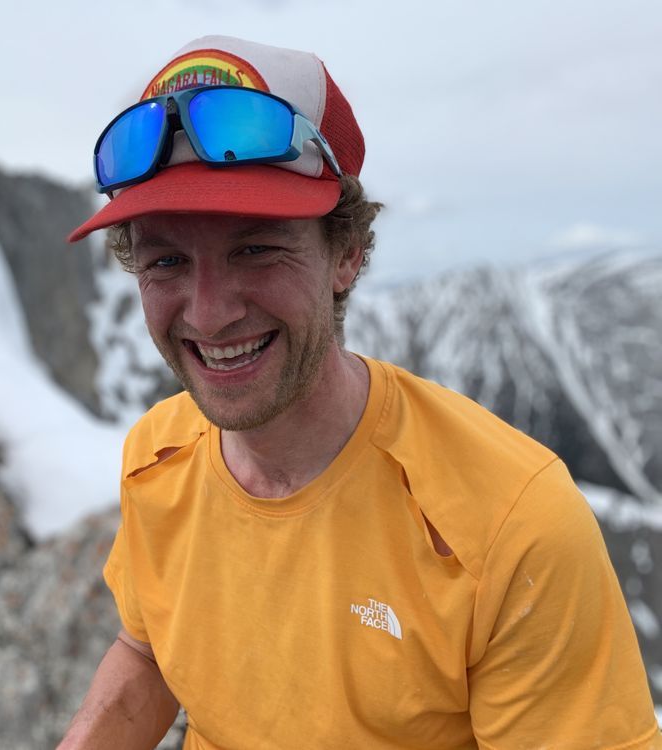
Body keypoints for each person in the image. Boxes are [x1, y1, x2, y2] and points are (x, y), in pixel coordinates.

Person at [58, 35, 661, 749]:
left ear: (346, 253)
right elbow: (148, 653)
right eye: (165, 261)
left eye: (256, 249)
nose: (209, 312)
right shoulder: (156, 455)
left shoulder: (511, 527)